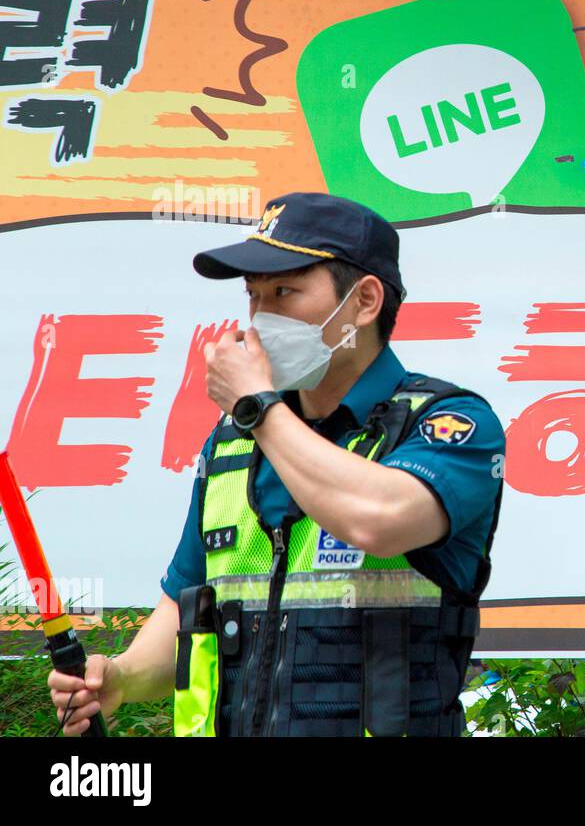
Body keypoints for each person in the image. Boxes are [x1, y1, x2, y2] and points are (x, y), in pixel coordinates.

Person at [48, 191, 505, 737]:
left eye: (284, 291)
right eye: (253, 296)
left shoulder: (451, 422)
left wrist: (258, 407)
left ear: (364, 301)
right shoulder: (235, 441)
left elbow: (377, 521)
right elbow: (187, 606)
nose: (262, 319)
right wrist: (120, 676)